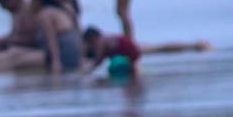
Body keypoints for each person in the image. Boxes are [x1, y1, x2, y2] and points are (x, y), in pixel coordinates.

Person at [82, 26, 210, 79]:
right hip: (130, 48)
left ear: (92, 39)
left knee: (159, 50)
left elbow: (98, 61)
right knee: (160, 49)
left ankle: (195, 45)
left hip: (130, 53)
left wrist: (84, 73)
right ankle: (194, 45)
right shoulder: (106, 38)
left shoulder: (100, 42)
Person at [33, 0, 81, 74]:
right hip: (75, 53)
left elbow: (51, 38)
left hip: (65, 52)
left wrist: (56, 61)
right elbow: (78, 33)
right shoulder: (65, 10)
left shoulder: (45, 13)